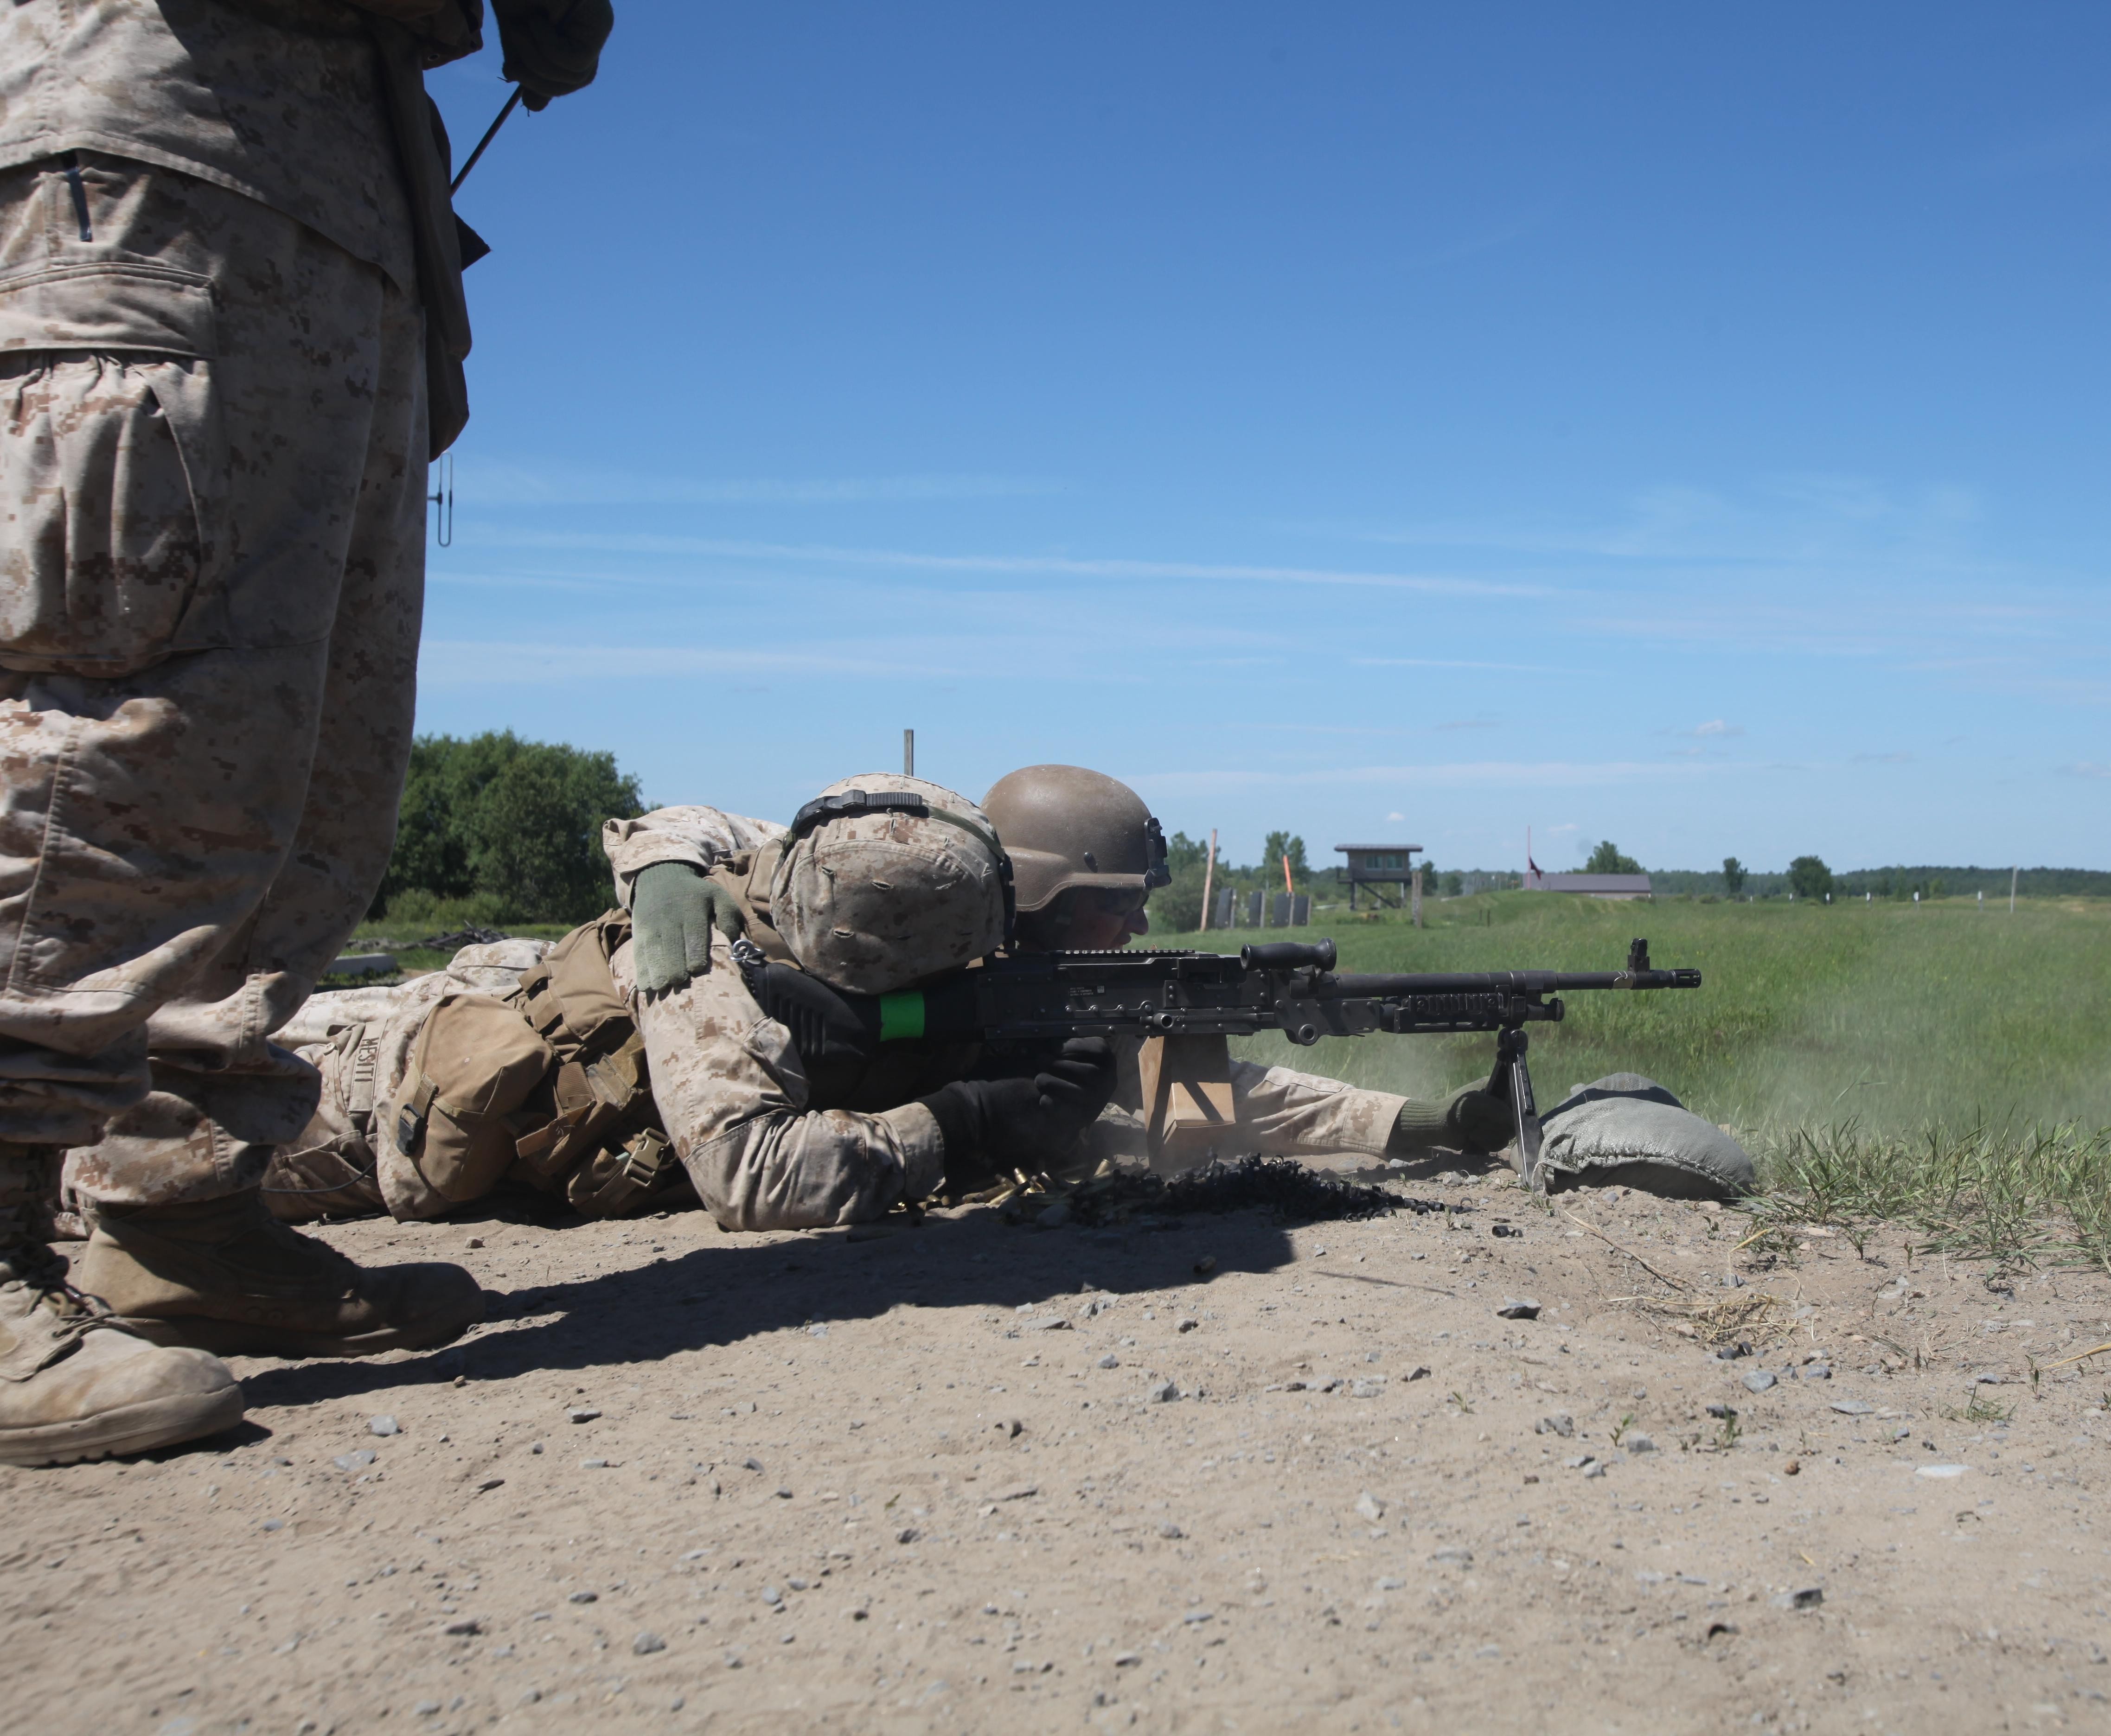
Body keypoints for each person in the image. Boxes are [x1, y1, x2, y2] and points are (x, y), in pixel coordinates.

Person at [0, 0, 613, 1466]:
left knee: (293, 756)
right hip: (153, 135)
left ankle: (179, 1213)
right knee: (113, 722)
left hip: (347, 177)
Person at [269, 776, 1113, 1232]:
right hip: (328, 1110)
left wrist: (666, 860)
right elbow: (753, 1178)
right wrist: (963, 1119)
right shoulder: (697, 984)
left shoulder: (807, 872)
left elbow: (690, 819)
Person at [974, 765, 1514, 1169]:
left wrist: (1426, 1120)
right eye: (1117, 903)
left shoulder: (1084, 1017)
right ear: (1040, 902)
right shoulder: (929, 999)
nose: (1139, 928)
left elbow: (1245, 1098)